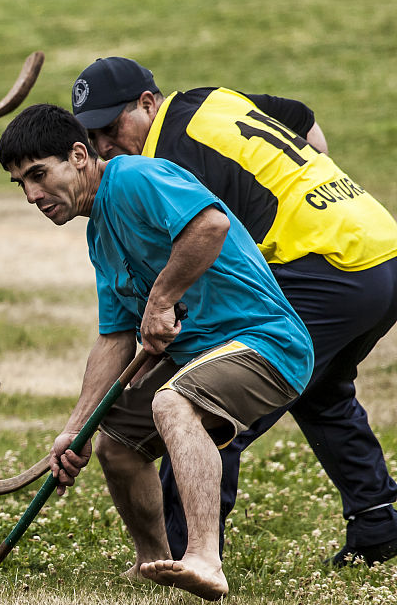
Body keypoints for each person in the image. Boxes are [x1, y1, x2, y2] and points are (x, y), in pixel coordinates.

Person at [72, 56, 397, 567]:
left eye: (113, 127)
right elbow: (300, 117)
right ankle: (377, 521)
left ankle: (185, 555)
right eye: (94, 137)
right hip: (375, 244)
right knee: (319, 387)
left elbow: (203, 238)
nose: (106, 146)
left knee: (208, 401)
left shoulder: (169, 159)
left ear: (147, 103)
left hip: (324, 262)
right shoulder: (209, 101)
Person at [0, 103, 313, 600]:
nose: (33, 195)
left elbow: (210, 225)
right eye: (21, 184)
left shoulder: (132, 177)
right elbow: (114, 337)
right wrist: (74, 429)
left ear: (80, 155)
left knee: (173, 402)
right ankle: (154, 563)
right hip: (201, 356)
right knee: (115, 447)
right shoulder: (98, 232)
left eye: (39, 174)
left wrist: (161, 299)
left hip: (266, 344)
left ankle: (205, 558)